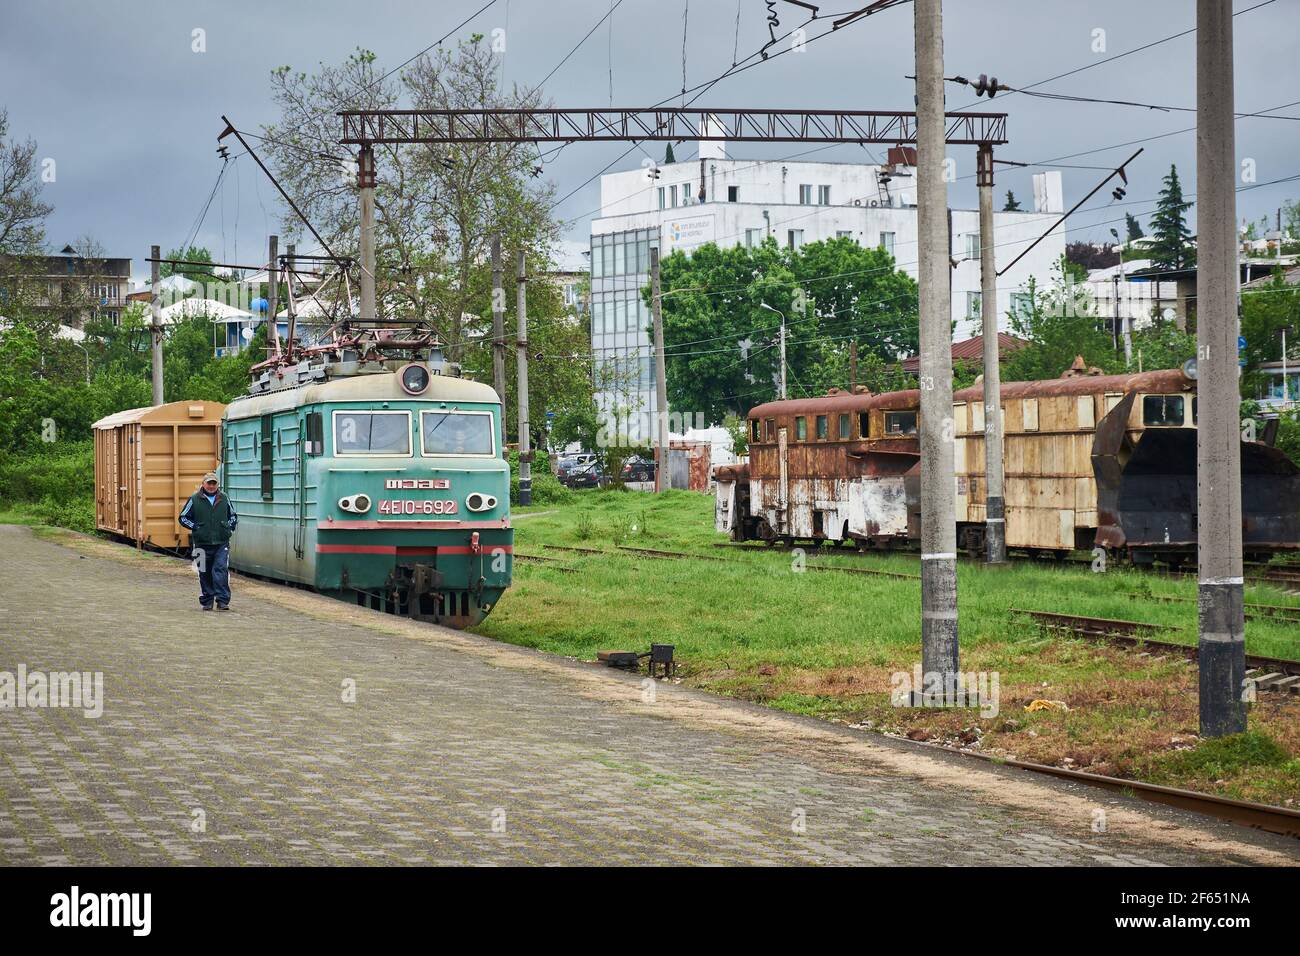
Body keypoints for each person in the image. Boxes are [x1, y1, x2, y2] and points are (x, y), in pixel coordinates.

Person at [178, 471, 238, 611]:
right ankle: (207, 600)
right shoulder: (194, 499)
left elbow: (233, 515)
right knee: (204, 572)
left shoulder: (224, 498)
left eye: (214, 483)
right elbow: (183, 517)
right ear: (203, 484)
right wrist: (196, 527)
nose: (211, 486)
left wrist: (228, 526)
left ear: (218, 485)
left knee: (220, 569)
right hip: (201, 543)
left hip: (221, 542)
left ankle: (222, 601)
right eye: (209, 483)